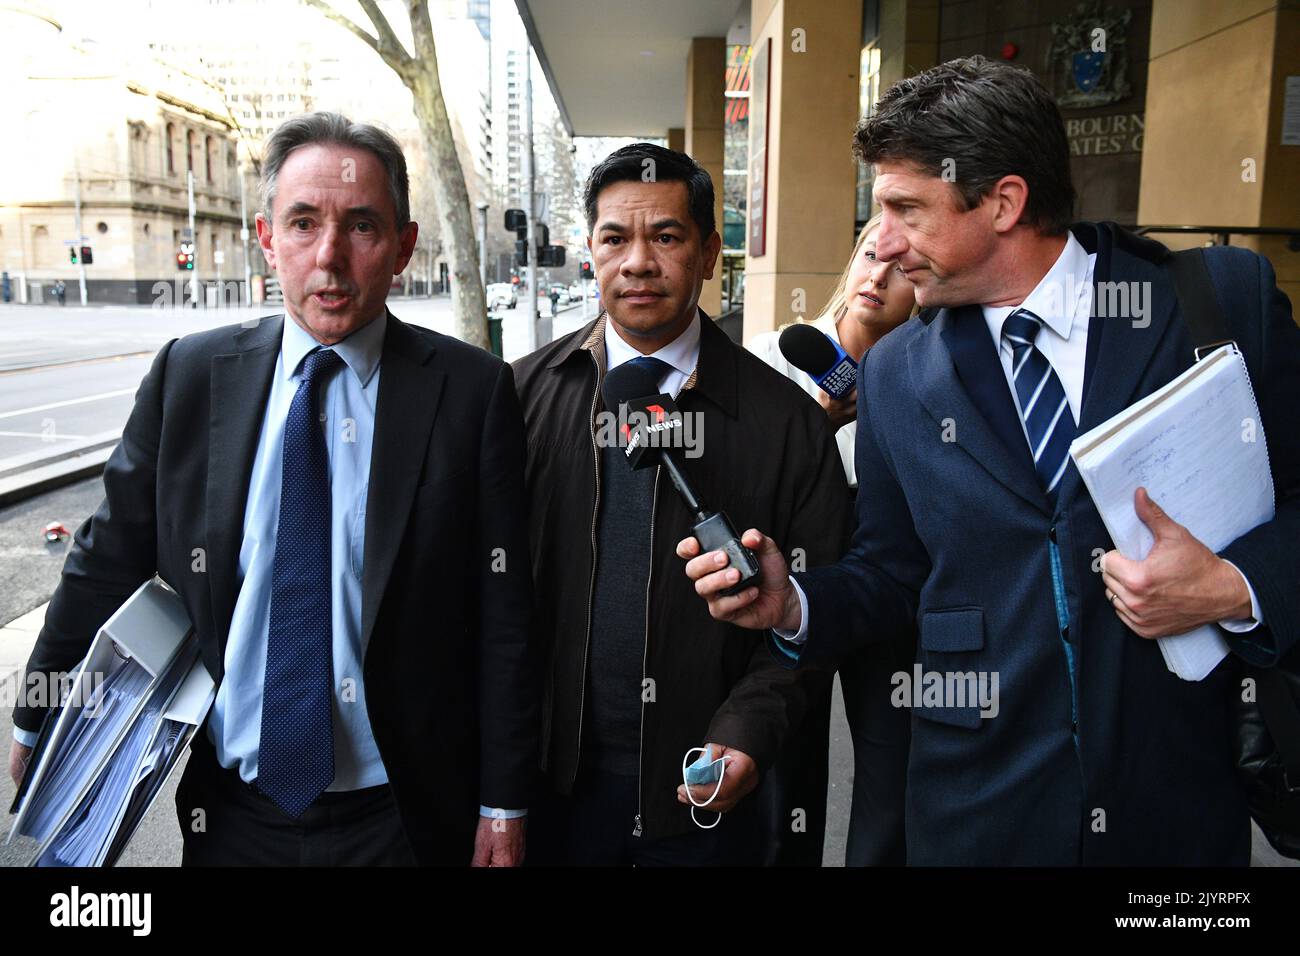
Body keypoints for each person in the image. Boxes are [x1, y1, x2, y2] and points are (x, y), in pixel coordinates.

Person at [680, 56, 1300, 865]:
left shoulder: (1216, 300)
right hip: (977, 813)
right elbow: (894, 572)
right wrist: (793, 601)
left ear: (1004, 201)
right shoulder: (897, 372)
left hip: (1174, 811)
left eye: (906, 209)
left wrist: (1233, 587)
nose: (885, 243)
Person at [9, 112, 539, 866]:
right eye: (302, 224)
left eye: (361, 226)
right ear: (267, 238)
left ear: (403, 246)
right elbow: (104, 563)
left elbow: (505, 614)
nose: (329, 257)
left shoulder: (472, 392)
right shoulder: (189, 378)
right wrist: (40, 716)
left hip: (403, 819)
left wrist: (504, 801)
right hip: (231, 816)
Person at [513, 143, 849, 866]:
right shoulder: (518, 399)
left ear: (706, 258)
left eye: (665, 237)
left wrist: (748, 735)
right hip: (553, 797)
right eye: (614, 238)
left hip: (711, 802)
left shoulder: (787, 423)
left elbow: (814, 615)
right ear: (591, 253)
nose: (637, 262)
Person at [746, 212, 916, 866]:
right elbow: (746, 487)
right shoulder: (772, 355)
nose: (878, 276)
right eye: (871, 255)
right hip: (792, 585)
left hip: (883, 587)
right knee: (787, 761)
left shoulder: (920, 375)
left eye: (901, 268)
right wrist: (817, 424)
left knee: (891, 764)